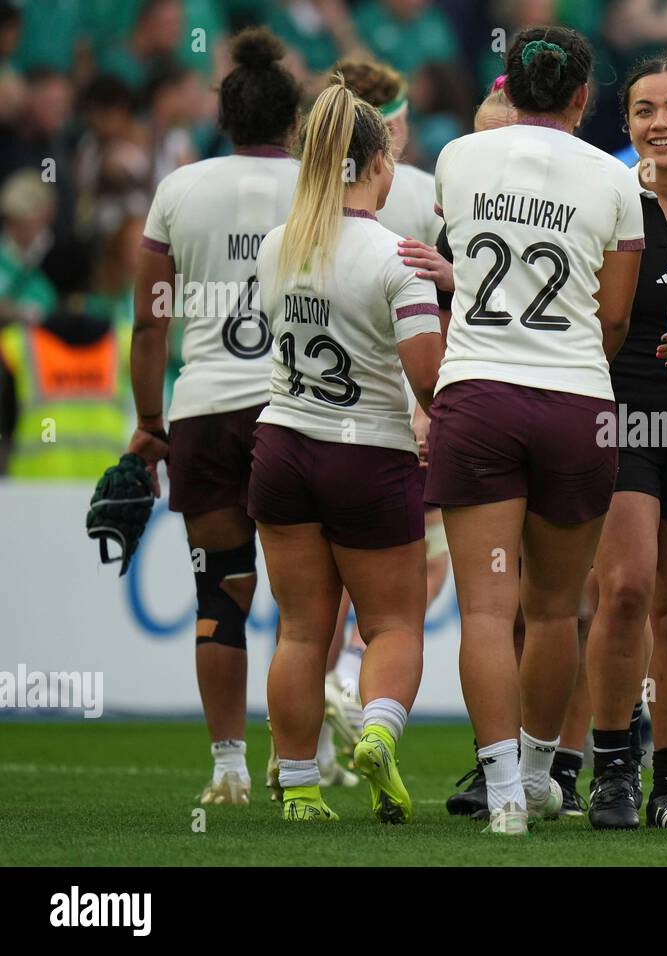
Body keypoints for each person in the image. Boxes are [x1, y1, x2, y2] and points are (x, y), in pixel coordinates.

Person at [425, 26, 643, 835]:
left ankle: (503, 793)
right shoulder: (613, 179)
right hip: (573, 401)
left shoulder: (456, 157)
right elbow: (614, 316)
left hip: (478, 393)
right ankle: (546, 770)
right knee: (555, 610)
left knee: (486, 609)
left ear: (507, 89)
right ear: (585, 99)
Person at [250, 77, 442, 823]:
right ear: (382, 162)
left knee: (301, 628)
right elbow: (430, 382)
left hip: (282, 444)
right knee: (391, 625)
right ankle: (377, 734)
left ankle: (298, 785)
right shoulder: (399, 255)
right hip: (368, 451)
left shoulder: (277, 245)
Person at [126, 28, 300, 806]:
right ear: (293, 121)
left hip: (204, 410)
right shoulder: (320, 187)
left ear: (223, 119)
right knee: (308, 600)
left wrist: (151, 423)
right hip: (299, 410)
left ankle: (228, 766)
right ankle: (301, 761)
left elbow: (148, 324)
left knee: (220, 593)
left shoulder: (180, 189)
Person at [585, 55, 667, 830]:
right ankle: (611, 770)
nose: (658, 123)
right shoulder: (604, 201)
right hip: (620, 415)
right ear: (626, 123)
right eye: (642, 110)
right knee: (626, 587)